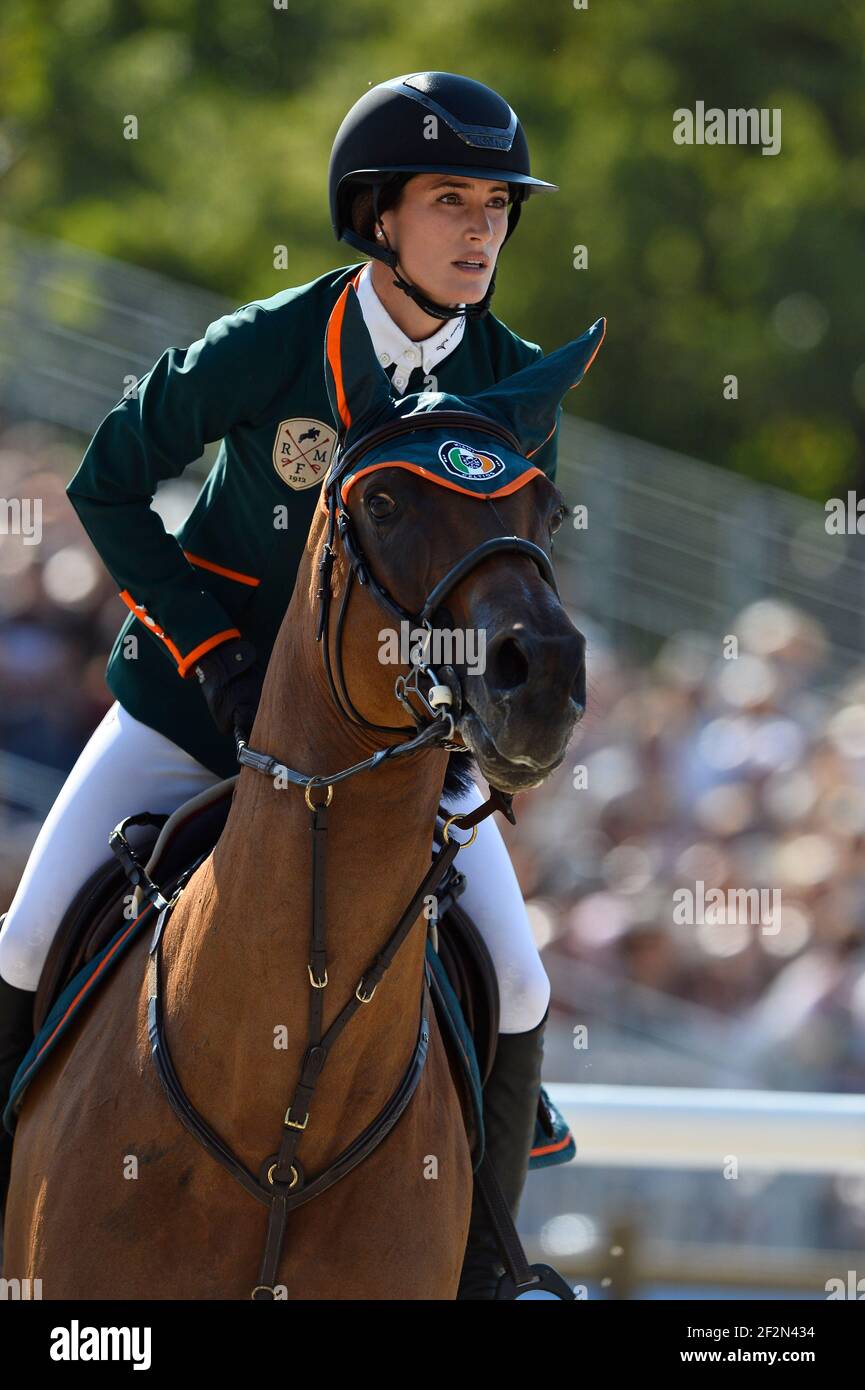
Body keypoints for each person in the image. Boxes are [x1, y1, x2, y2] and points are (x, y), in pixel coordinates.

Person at [0, 72, 562, 1298]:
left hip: (387, 752)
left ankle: (485, 1268)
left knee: (520, 979)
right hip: (193, 712)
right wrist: (216, 655)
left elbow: (506, 582)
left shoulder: (516, 385)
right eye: (451, 200)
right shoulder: (265, 347)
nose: (482, 230)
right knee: (29, 931)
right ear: (377, 216)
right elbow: (106, 479)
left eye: (499, 207)